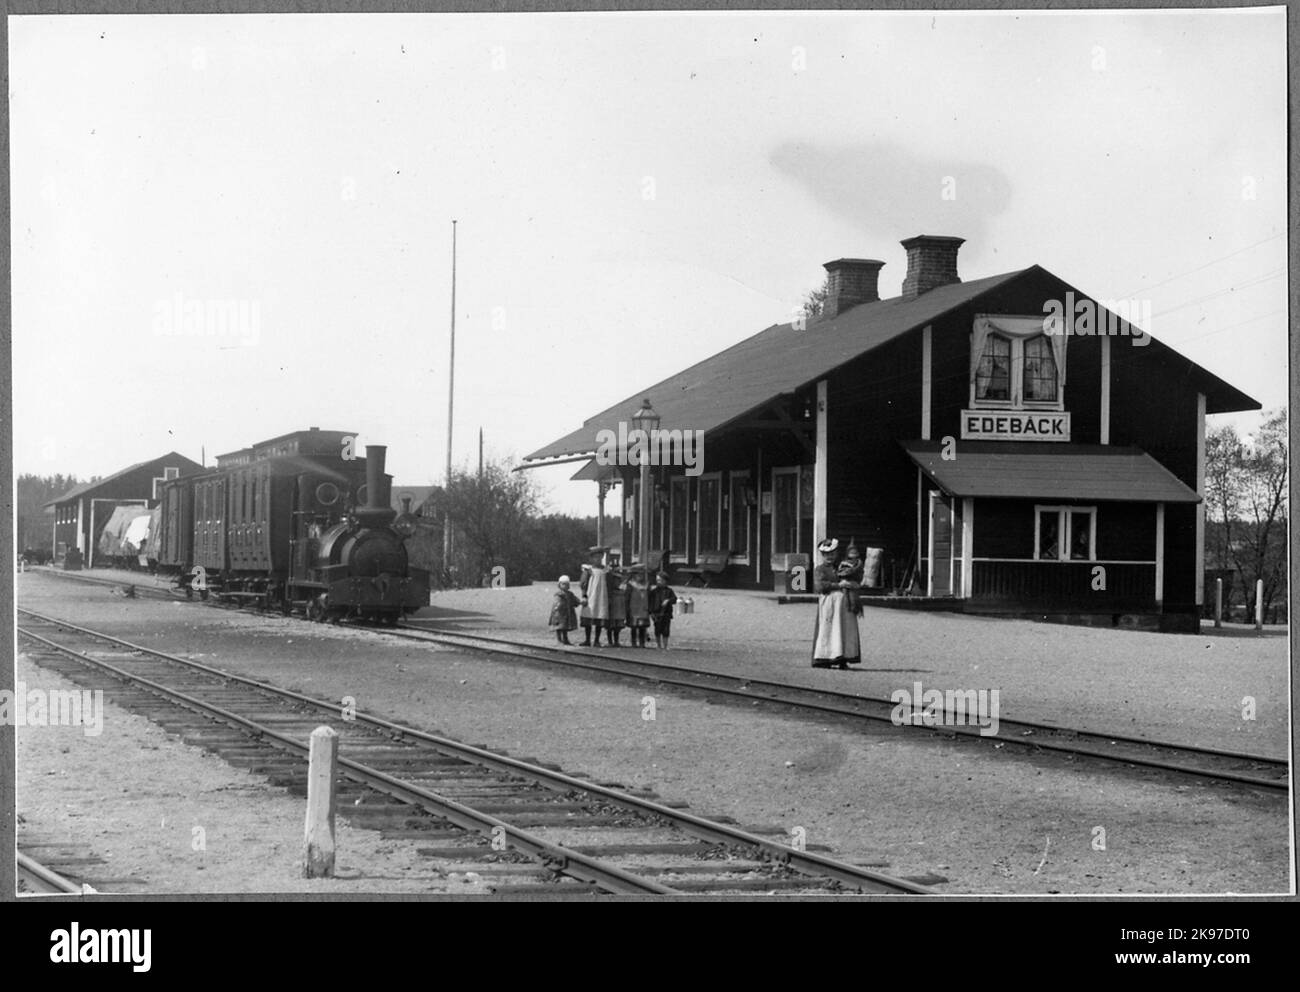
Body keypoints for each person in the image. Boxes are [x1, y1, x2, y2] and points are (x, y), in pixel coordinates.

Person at [811, 537, 861, 669]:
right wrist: (838, 585)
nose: (829, 557)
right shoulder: (820, 569)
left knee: (844, 629)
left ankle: (843, 657)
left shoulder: (842, 567)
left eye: (832, 554)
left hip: (843, 603)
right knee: (829, 629)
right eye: (826, 554)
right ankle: (825, 657)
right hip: (829, 603)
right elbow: (820, 586)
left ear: (836, 554)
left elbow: (855, 578)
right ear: (822, 555)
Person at [580, 547, 611, 647]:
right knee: (589, 615)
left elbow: (609, 584)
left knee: (599, 616)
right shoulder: (588, 570)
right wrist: (584, 595)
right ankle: (587, 639)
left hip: (602, 596)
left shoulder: (606, 570)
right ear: (591, 558)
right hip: (591, 595)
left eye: (600, 557)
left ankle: (597, 640)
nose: (597, 559)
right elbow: (583, 583)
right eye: (595, 557)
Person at [648, 571, 678, 649]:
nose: (658, 582)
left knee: (666, 630)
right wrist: (650, 612)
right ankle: (658, 645)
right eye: (657, 580)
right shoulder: (654, 591)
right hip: (656, 613)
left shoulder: (669, 591)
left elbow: (674, 599)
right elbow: (650, 602)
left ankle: (665, 646)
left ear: (665, 581)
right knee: (657, 630)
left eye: (660, 580)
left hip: (666, 613)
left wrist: (668, 600)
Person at [549, 575, 580, 645]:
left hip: (567, 613)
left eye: (567, 584)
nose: (565, 586)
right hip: (559, 613)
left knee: (565, 627)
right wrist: (558, 607)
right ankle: (559, 639)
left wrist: (579, 602)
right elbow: (556, 603)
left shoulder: (570, 594)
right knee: (559, 627)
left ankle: (565, 639)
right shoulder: (558, 594)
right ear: (559, 585)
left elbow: (575, 600)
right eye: (563, 584)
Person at [837, 539, 865, 615]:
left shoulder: (859, 563)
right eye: (851, 552)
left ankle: (854, 610)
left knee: (854, 599)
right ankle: (846, 610)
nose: (853, 555)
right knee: (845, 598)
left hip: (854, 582)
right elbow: (840, 572)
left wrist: (854, 574)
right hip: (844, 582)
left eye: (855, 552)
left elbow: (860, 573)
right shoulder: (844, 562)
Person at [625, 569, 650, 647]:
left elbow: (650, 596)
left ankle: (642, 643)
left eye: (642, 575)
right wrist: (627, 608)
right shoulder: (631, 584)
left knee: (642, 627)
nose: (640, 576)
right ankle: (633, 642)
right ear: (634, 575)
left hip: (643, 608)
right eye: (638, 575)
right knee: (634, 627)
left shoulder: (647, 584)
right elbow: (627, 597)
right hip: (633, 608)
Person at [606, 570, 627, 647]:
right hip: (611, 612)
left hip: (619, 612)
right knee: (610, 627)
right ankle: (610, 641)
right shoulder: (609, 592)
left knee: (617, 628)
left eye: (619, 581)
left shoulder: (622, 591)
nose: (617, 583)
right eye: (615, 581)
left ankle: (616, 641)